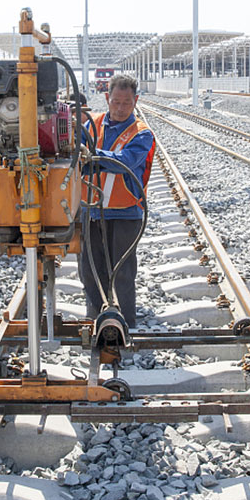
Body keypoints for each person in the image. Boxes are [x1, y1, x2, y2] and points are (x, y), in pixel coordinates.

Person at [79, 74, 156, 328]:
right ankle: (95, 318)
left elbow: (125, 162)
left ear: (136, 101)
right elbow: (76, 154)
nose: (121, 108)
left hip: (125, 212)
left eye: (126, 103)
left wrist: (92, 155)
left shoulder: (142, 133)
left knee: (122, 272)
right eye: (116, 102)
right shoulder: (93, 125)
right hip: (92, 210)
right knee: (90, 269)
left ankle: (126, 322)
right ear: (106, 98)